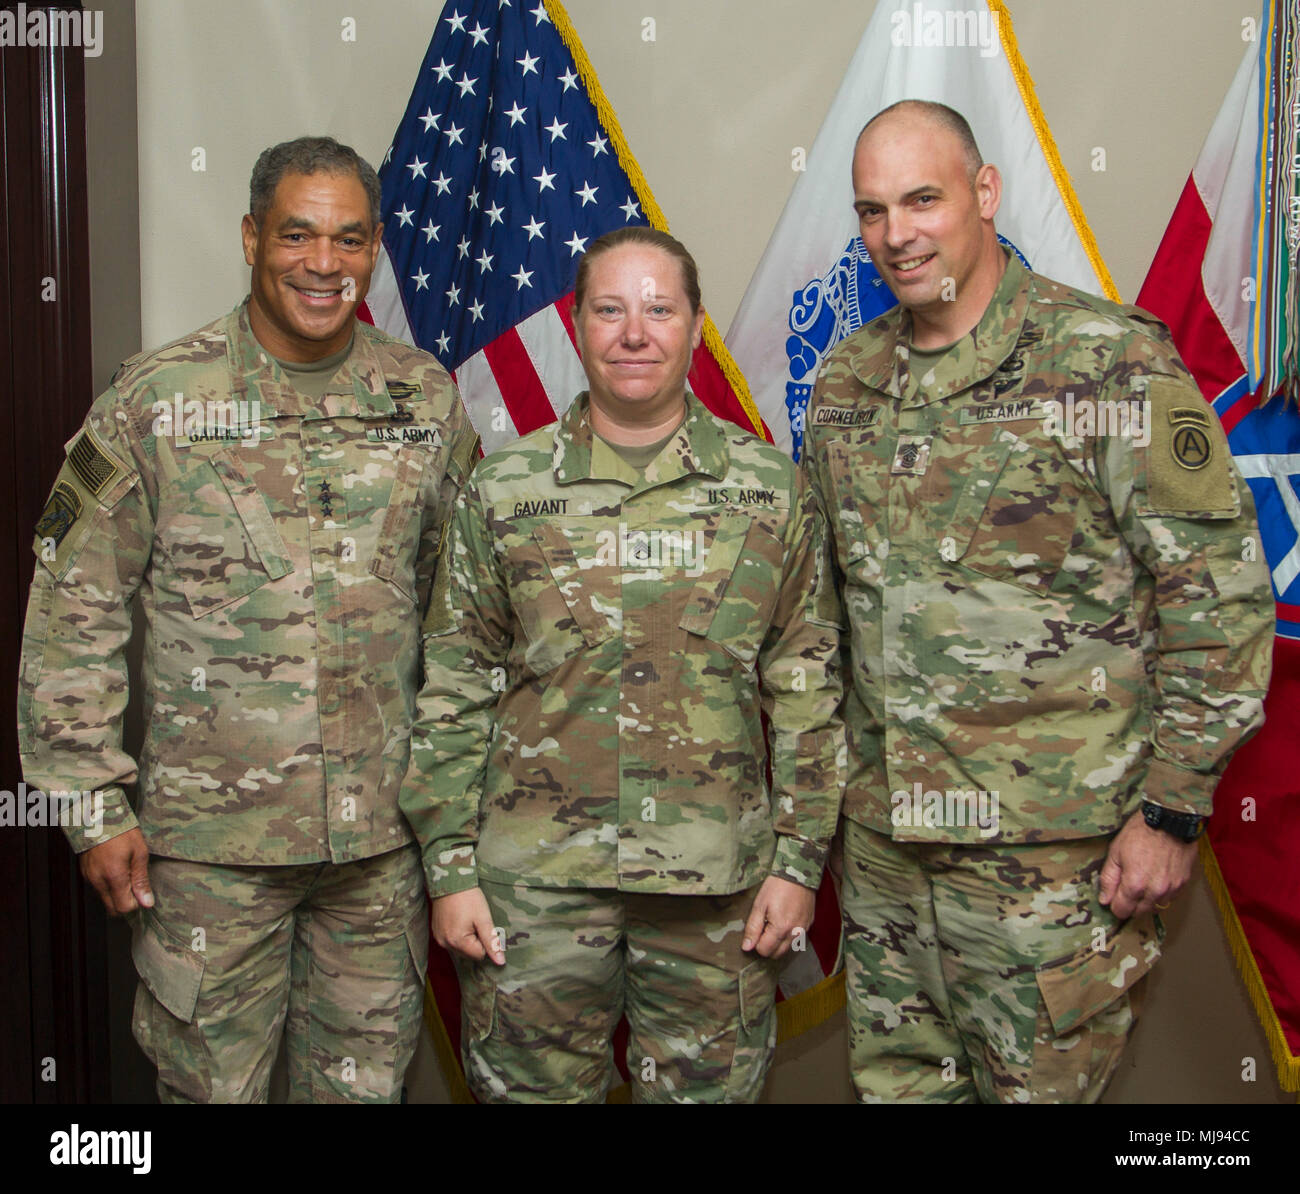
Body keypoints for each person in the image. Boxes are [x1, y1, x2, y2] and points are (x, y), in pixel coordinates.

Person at [803, 100, 1274, 1103]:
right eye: (872, 210)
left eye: (922, 199)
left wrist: (1175, 808)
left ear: (983, 194)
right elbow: (826, 612)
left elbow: (1218, 593)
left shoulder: (1105, 360)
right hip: (887, 855)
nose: (897, 234)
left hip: (1049, 863)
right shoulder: (845, 382)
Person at [18, 135, 478, 1103]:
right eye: (297, 235)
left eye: (349, 240)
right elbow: (74, 603)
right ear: (249, 237)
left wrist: (455, 819)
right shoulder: (156, 402)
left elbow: (464, 616)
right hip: (209, 856)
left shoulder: (424, 401)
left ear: (375, 248)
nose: (323, 264)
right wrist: (91, 803)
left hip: (377, 849)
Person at [400, 226, 844, 1103]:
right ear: (576, 323)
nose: (634, 333)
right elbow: (455, 687)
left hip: (715, 893)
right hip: (534, 892)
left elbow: (806, 688)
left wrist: (798, 864)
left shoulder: (768, 492)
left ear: (692, 324)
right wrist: (449, 870)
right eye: (610, 309)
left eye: (658, 308)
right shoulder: (506, 490)